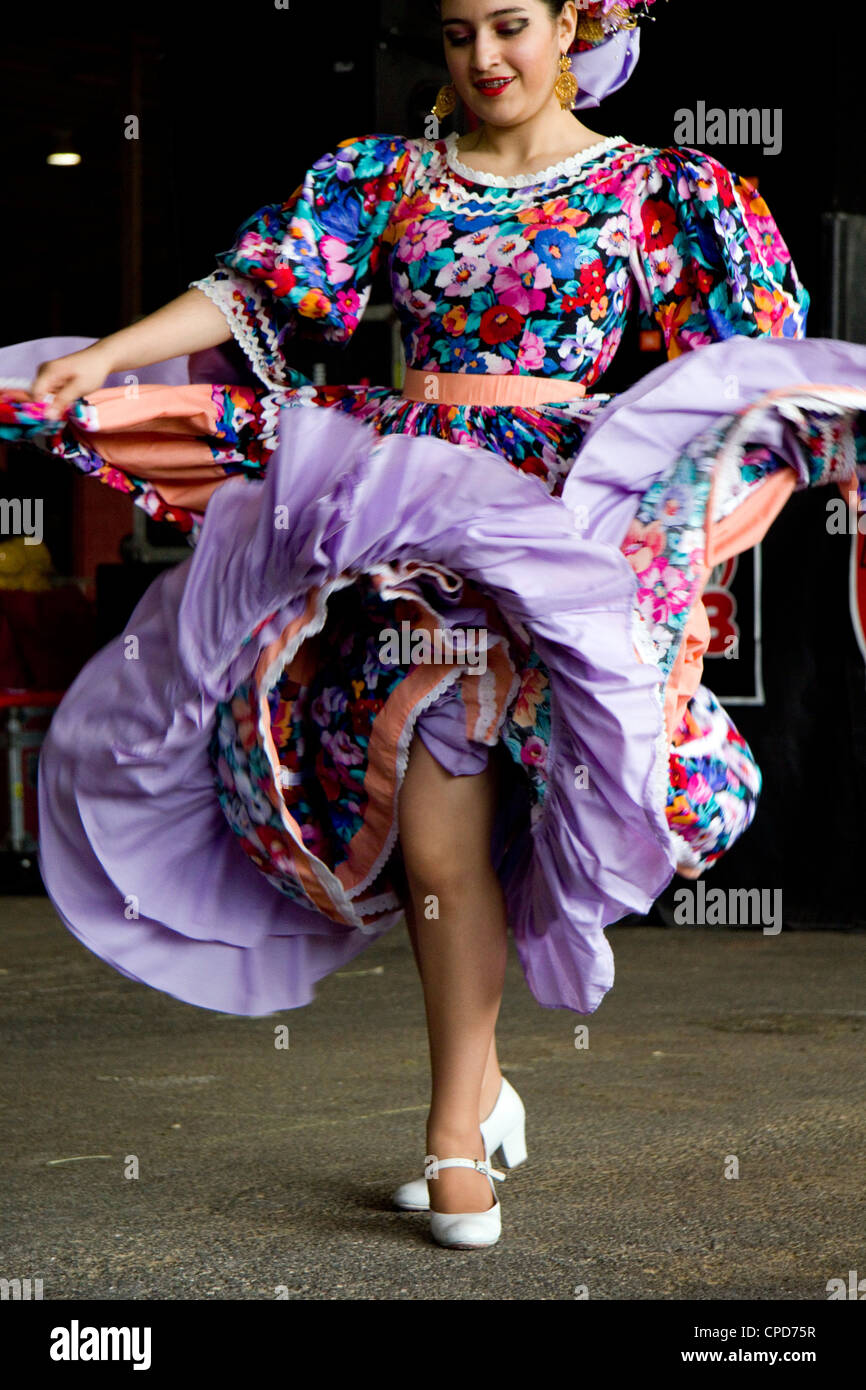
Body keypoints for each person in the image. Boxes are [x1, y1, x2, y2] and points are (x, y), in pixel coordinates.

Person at [1, 0, 865, 1251]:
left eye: (509, 26)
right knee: (431, 818)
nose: (483, 60)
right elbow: (255, 292)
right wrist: (114, 358)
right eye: (457, 34)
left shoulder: (661, 192)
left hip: (556, 522)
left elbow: (741, 367)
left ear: (574, 24)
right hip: (404, 512)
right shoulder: (388, 177)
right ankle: (459, 1119)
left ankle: (474, 1095)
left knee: (523, 809)